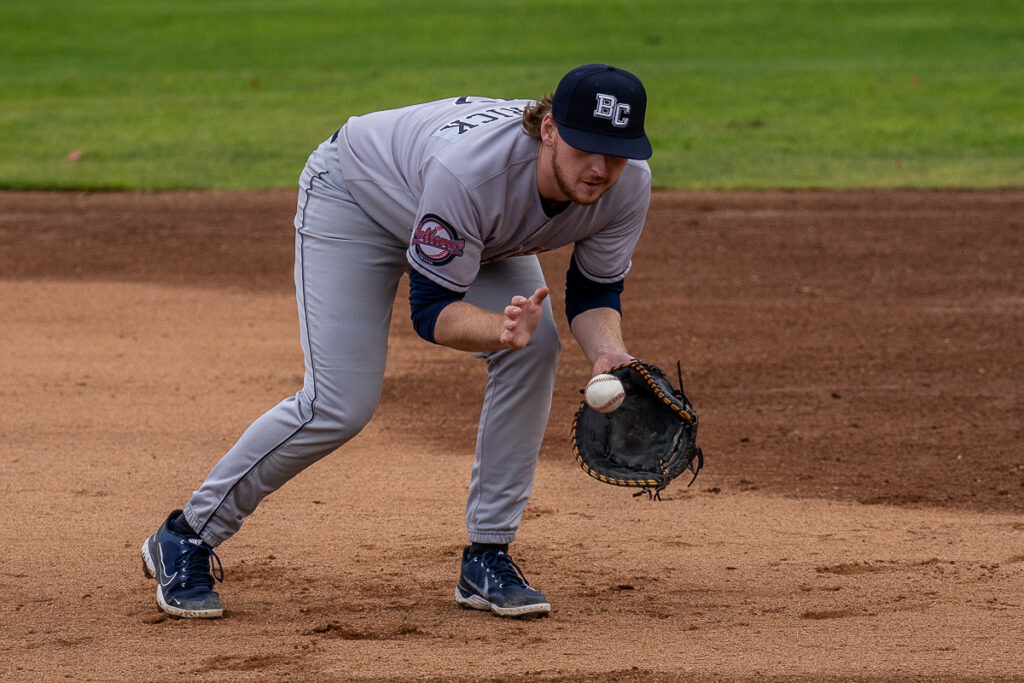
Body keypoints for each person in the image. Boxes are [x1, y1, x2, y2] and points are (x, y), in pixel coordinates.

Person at [141, 63, 653, 619]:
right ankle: (186, 534)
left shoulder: (629, 186)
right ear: (550, 130)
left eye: (617, 151)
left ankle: (488, 556)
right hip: (356, 197)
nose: (601, 168)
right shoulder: (473, 173)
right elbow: (431, 311)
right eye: (586, 147)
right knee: (339, 404)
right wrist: (497, 330)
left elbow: (595, 290)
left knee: (538, 350)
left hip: (465, 225)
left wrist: (609, 354)